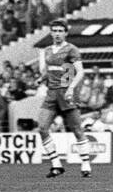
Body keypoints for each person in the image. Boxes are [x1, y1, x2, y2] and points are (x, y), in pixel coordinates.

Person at [36, 19, 96, 177]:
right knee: (42, 127)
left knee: (77, 129)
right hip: (51, 93)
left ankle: (86, 165)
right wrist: (41, 78)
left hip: (66, 93)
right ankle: (56, 164)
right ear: (51, 32)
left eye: (60, 31)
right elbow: (49, 70)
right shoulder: (48, 50)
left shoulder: (72, 49)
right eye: (54, 30)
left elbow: (80, 72)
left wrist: (70, 88)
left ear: (65, 33)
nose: (57, 33)